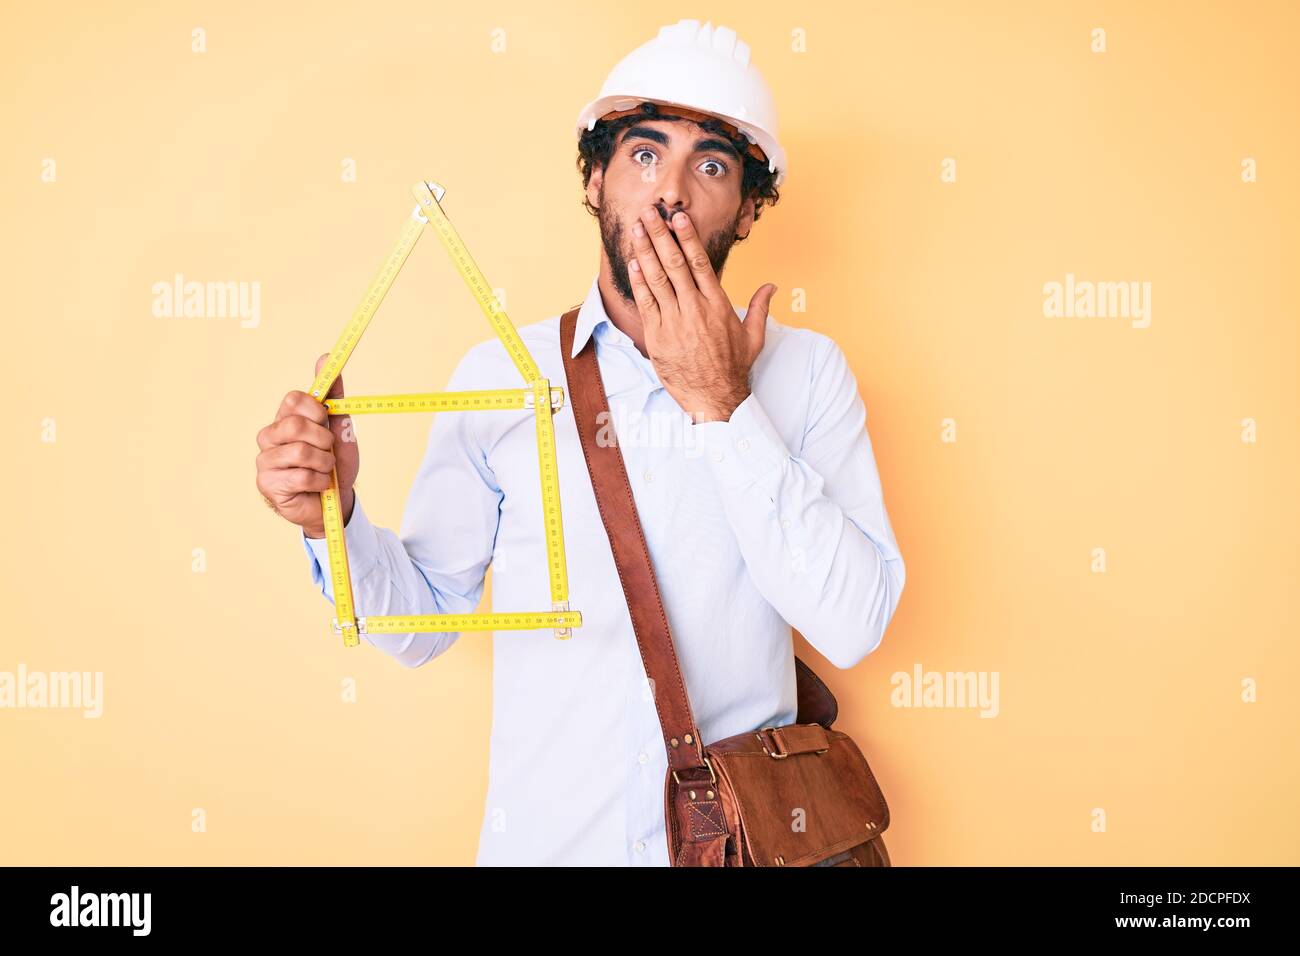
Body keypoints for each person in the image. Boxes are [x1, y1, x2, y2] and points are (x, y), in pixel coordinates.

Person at [254, 18, 905, 866]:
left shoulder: (809, 374)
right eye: (642, 153)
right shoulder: (501, 372)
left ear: (747, 209)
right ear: (596, 179)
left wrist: (722, 402)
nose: (669, 191)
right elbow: (420, 626)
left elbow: (853, 624)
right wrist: (331, 518)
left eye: (710, 164)